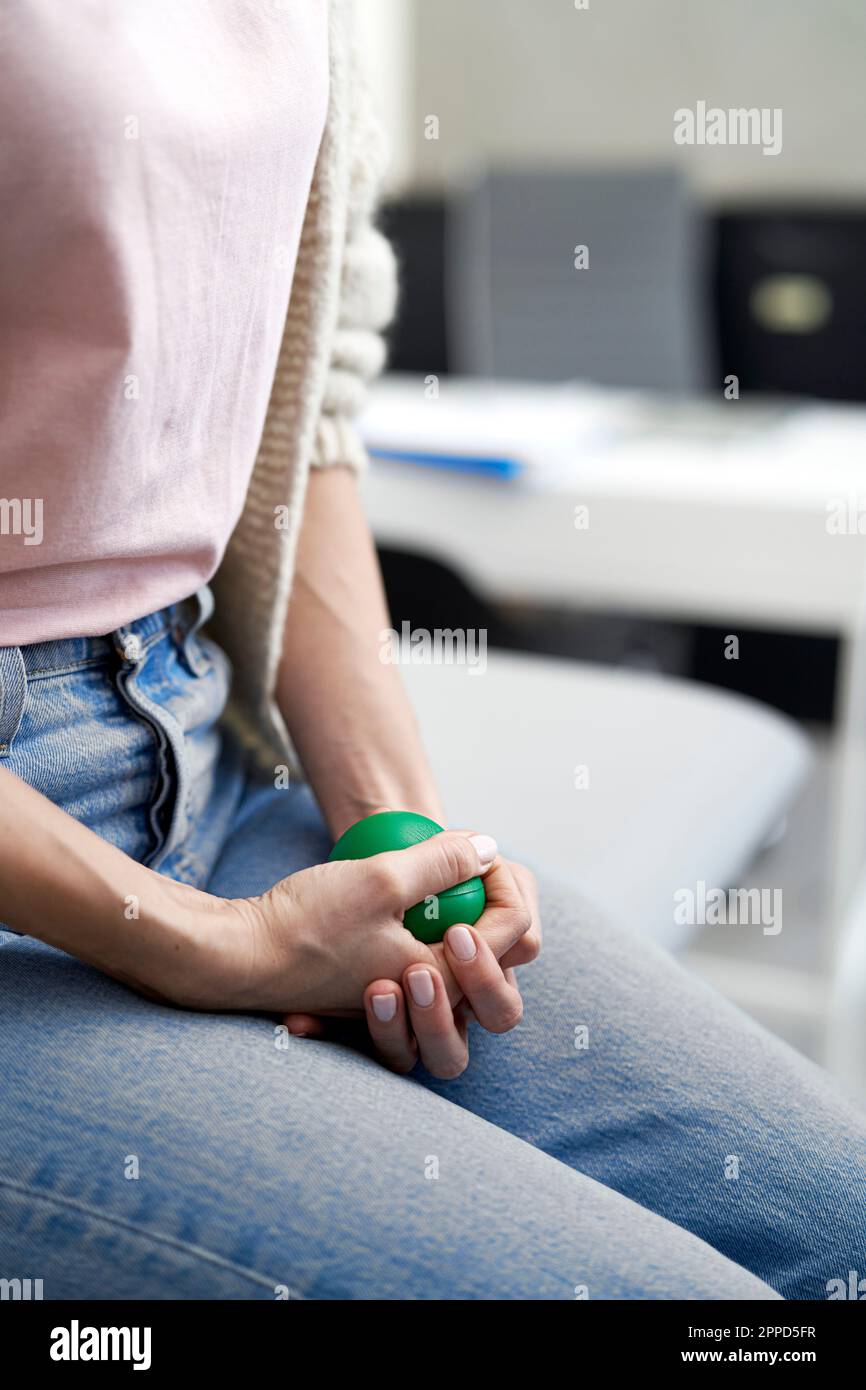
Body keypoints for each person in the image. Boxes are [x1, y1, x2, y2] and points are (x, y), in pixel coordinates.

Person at [0, 0, 862, 1301]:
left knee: (837, 1238)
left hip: (202, 762)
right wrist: (202, 945)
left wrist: (402, 846)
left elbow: (309, 414)